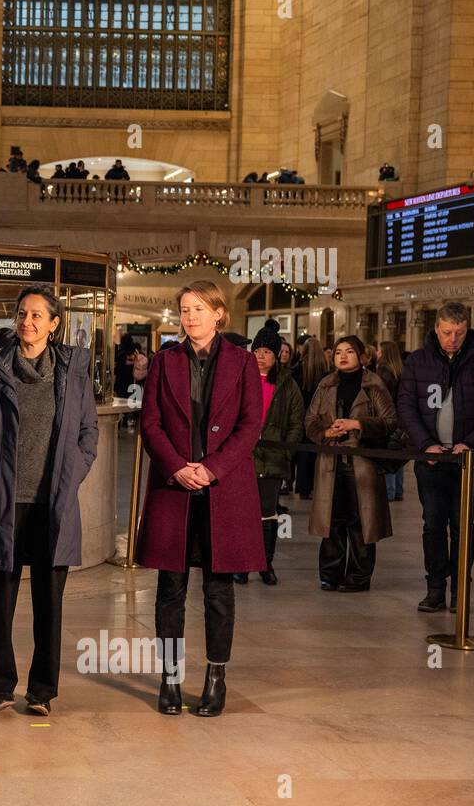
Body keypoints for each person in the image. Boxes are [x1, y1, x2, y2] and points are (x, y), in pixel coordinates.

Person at [0, 285, 98, 715]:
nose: (28, 322)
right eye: (22, 314)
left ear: (54, 325)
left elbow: (88, 433)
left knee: (49, 603)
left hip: (52, 503)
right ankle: (0, 687)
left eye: (38, 315)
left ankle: (42, 692)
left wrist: (71, 474)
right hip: (4, 503)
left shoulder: (73, 372)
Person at [135, 281, 264, 718]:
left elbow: (250, 426)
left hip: (222, 490)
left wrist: (211, 468)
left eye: (198, 309)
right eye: (185, 309)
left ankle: (216, 676)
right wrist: (176, 466)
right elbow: (149, 423)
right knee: (170, 588)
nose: (190, 317)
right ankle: (170, 679)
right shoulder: (163, 361)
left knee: (217, 589)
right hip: (174, 488)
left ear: (218, 314)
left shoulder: (243, 362)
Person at [397, 302, 474, 612]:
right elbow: (406, 406)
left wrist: (469, 444)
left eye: (459, 333)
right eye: (447, 332)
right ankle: (435, 587)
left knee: (463, 525)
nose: (453, 339)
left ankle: (460, 591)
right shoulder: (418, 362)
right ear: (436, 329)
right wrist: (425, 444)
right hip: (431, 458)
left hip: (468, 460)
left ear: (468, 330)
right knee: (433, 523)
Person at [305, 335, 396, 593]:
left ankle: (358, 576)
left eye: (349, 352)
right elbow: (310, 421)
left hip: (362, 463)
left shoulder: (373, 385)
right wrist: (325, 433)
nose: (343, 356)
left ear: (361, 356)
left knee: (361, 521)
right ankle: (330, 573)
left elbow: (390, 421)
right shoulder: (325, 385)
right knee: (331, 520)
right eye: (338, 352)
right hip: (330, 461)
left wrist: (358, 424)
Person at [236, 321, 304, 585]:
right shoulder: (242, 378)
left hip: (274, 458)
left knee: (267, 512)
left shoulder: (287, 385)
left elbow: (297, 421)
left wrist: (286, 451)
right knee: (244, 512)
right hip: (245, 458)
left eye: (267, 352)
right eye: (257, 351)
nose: (261, 356)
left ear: (277, 356)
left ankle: (266, 563)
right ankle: (242, 564)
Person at [376, 339, 406, 501]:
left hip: (386, 416)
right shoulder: (401, 370)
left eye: (379, 350)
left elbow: (380, 397)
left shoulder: (382, 372)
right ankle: (398, 491)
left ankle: (389, 492)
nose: (376, 353)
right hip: (400, 417)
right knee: (397, 453)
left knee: (386, 454)